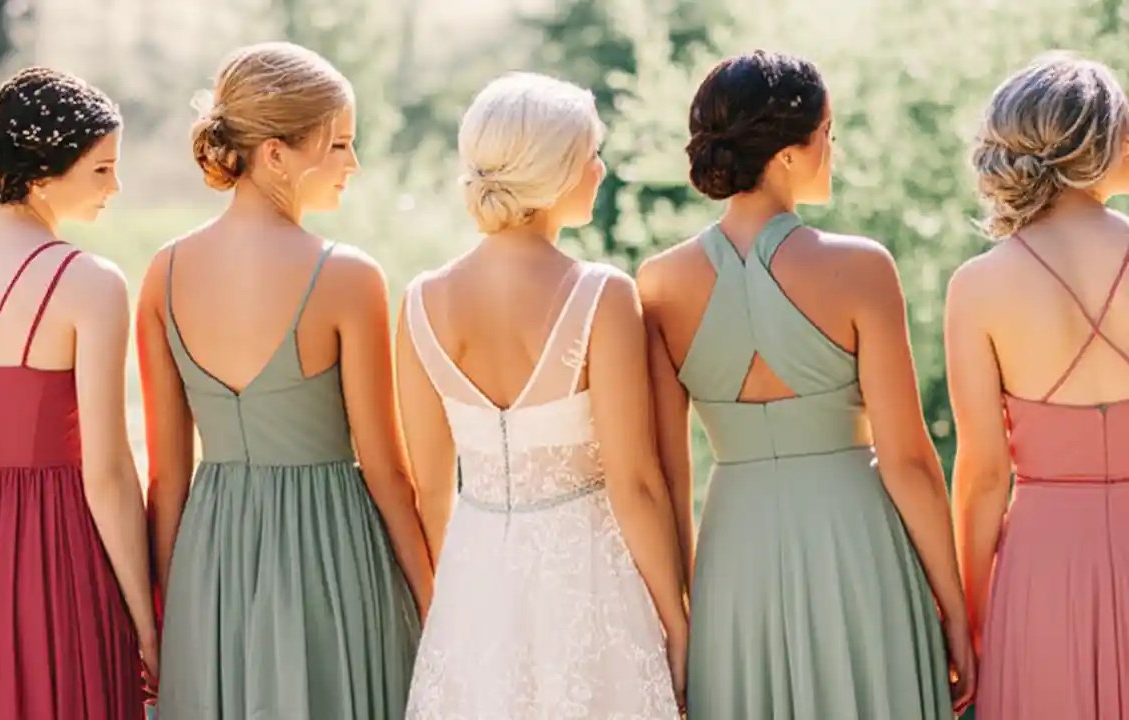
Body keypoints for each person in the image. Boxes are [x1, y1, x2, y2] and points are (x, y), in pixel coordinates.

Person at [637, 50, 973, 718]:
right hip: (857, 546)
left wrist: (683, 615)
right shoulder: (860, 268)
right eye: (828, 134)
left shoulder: (659, 283)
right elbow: (908, 462)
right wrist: (957, 612)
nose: (833, 150)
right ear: (788, 153)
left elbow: (668, 476)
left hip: (735, 560)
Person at [141, 42, 430, 719]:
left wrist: (167, 608)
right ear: (275, 153)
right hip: (331, 557)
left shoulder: (164, 273)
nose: (353, 165)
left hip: (210, 563)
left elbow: (166, 476)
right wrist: (430, 593)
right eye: (338, 146)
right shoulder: (347, 277)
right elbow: (387, 471)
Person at [400, 71, 686, 719]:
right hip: (591, 583)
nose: (601, 169)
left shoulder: (419, 303)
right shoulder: (602, 295)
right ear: (555, 169)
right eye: (591, 154)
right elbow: (634, 481)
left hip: (474, 584)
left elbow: (430, 491)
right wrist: (676, 618)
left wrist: (452, 607)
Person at [0, 67, 156, 719]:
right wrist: (149, 621)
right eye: (102, 169)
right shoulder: (92, 283)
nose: (117, 187)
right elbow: (106, 474)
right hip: (60, 557)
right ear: (47, 169)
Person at [948, 52, 1129, 720]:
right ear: (1095, 144)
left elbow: (983, 475)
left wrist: (970, 613)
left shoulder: (978, 287)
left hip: (1043, 565)